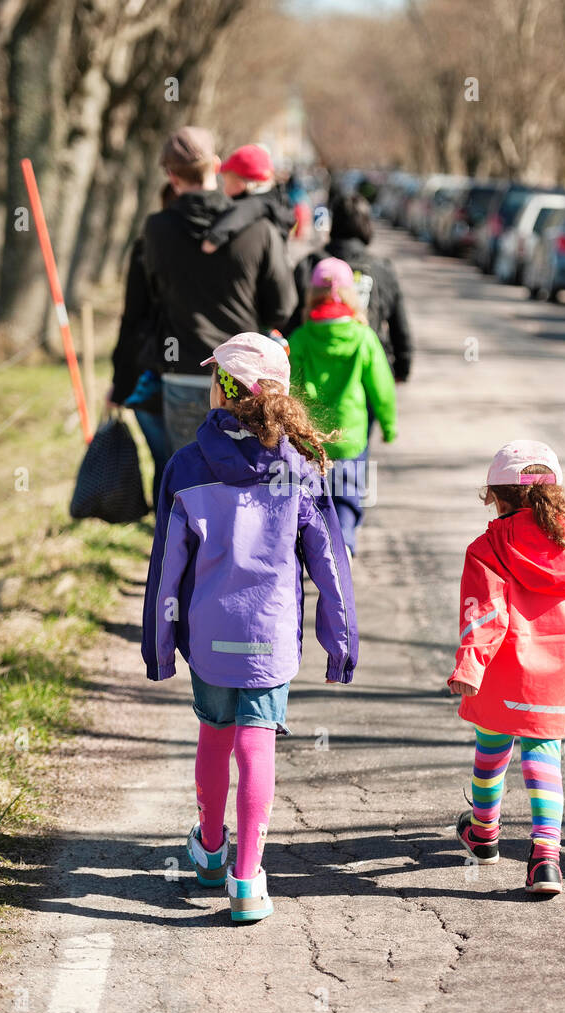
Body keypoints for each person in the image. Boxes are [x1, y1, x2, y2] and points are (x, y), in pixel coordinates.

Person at [141, 333, 358, 923]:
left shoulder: (186, 467)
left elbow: (166, 569)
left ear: (221, 389)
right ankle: (246, 881)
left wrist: (159, 648)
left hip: (209, 640)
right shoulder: (302, 468)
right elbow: (330, 565)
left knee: (215, 735)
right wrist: (341, 643)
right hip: (269, 638)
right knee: (256, 743)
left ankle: (209, 852)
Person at [448, 441, 565, 896]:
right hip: (556, 672)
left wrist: (470, 664)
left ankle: (483, 832)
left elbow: (485, 615)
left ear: (497, 498)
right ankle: (546, 860)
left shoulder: (488, 547)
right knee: (543, 754)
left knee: (492, 748)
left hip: (501, 669)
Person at [143, 126, 296, 453]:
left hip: (181, 370)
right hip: (242, 377)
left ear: (171, 175)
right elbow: (283, 306)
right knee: (245, 481)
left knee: (186, 481)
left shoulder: (157, 229)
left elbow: (149, 300)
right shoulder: (257, 227)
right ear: (215, 165)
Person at [288, 257, 397, 556]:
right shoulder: (363, 337)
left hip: (310, 436)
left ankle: (313, 549)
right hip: (350, 436)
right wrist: (388, 425)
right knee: (347, 494)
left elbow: (290, 384)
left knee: (312, 495)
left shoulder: (300, 339)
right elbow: (382, 386)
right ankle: (345, 545)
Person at [289, 192, 413, 383]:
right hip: (367, 371)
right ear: (366, 224)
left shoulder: (310, 265)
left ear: (334, 224)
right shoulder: (382, 270)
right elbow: (400, 326)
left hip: (314, 374)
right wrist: (402, 368)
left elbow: (291, 319)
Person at [107, 182, 173, 502]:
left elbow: (132, 318)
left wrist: (120, 384)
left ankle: (165, 537)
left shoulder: (146, 247)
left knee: (164, 462)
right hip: (200, 371)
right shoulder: (216, 244)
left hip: (149, 371)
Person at [200, 144, 295, 254]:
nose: (222, 183)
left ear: (240, 183)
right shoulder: (275, 202)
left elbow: (250, 207)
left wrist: (215, 237)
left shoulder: (256, 205)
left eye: (226, 177)